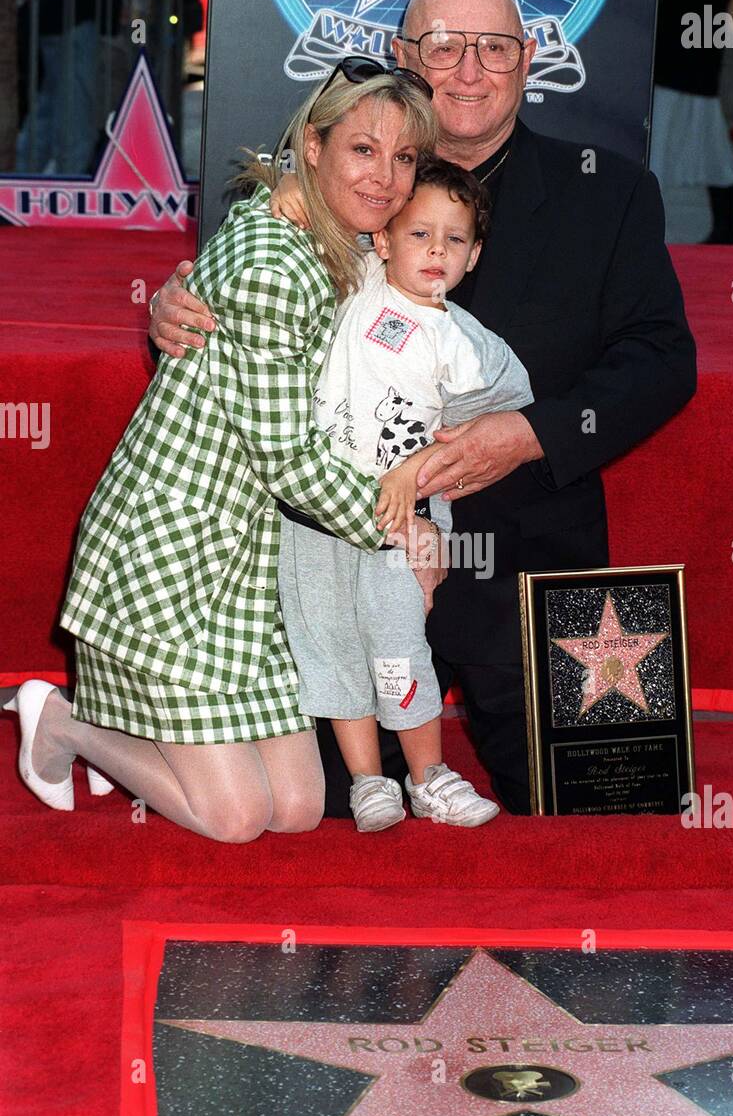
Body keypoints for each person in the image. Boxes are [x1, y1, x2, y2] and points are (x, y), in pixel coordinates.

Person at [150, 0, 698, 818]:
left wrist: (528, 434)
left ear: (529, 62)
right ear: (404, 57)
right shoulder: (353, 181)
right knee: (307, 805)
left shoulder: (611, 191)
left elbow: (664, 359)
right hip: (343, 548)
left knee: (606, 811)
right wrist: (180, 310)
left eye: (495, 48)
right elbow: (248, 297)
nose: (470, 70)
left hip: (526, 549)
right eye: (443, 47)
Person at [4, 67, 439, 842]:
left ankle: (133, 743)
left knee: (301, 808)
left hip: (244, 564)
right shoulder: (276, 268)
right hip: (174, 555)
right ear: (313, 144)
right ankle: (64, 727)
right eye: (365, 149)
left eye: (404, 159)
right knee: (237, 818)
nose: (385, 177)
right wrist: (397, 526)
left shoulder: (310, 231)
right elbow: (285, 459)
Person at [278, 154, 534, 831]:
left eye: (454, 239)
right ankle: (368, 781)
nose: (436, 250)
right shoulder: (357, 279)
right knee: (327, 645)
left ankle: (429, 776)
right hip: (311, 516)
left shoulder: (470, 345)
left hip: (401, 522)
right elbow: (298, 212)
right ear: (383, 240)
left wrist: (412, 473)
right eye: (419, 234)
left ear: (474, 256)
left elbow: (493, 425)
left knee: (397, 640)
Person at [16, 0, 207, 174]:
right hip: (97, 20)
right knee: (73, 115)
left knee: (53, 112)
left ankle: (24, 187)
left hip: (118, 22)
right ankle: (62, 194)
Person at [651, 0, 733, 243]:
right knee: (688, 145)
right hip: (666, 55)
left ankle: (723, 227)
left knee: (683, 145)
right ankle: (723, 227)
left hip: (690, 56)